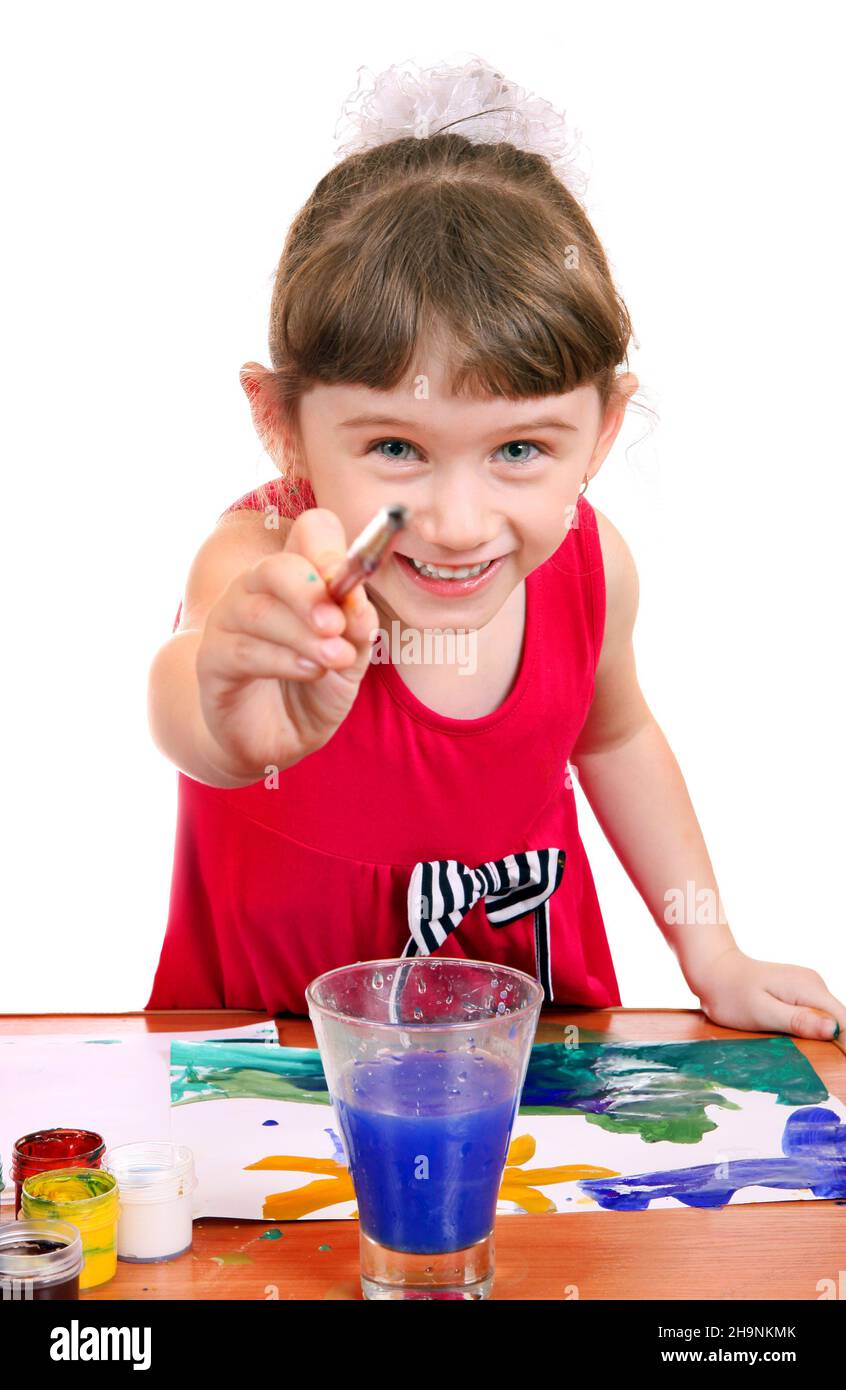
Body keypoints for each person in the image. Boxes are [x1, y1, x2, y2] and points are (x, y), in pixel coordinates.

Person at [146, 57, 844, 1044]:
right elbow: (192, 695)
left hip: (523, 1043)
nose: (459, 520)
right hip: (272, 1051)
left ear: (602, 430)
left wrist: (713, 951)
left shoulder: (595, 572)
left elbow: (616, 738)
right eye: (396, 448)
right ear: (286, 424)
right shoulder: (259, 555)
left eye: (519, 449)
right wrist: (224, 704)